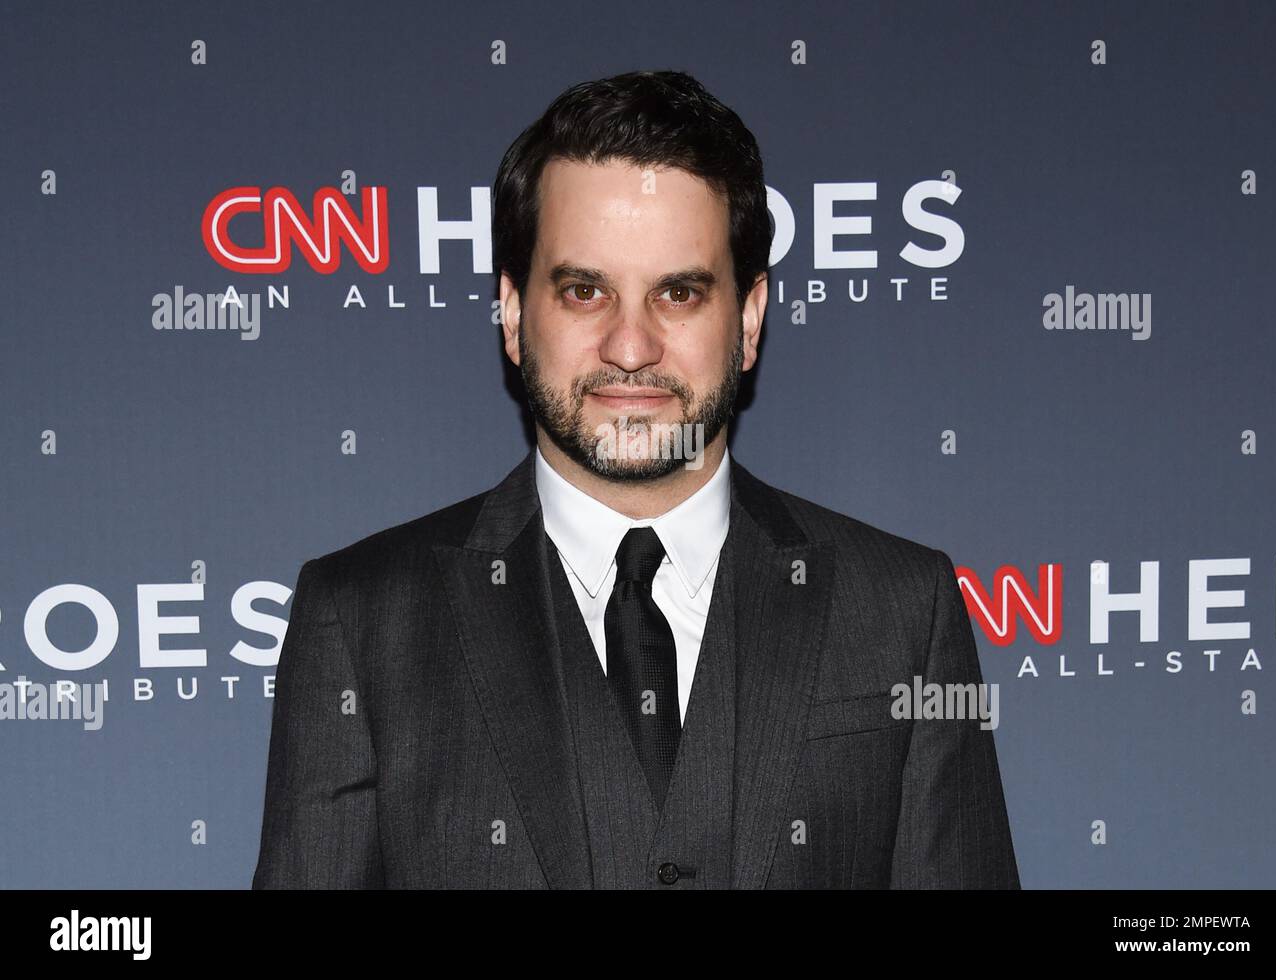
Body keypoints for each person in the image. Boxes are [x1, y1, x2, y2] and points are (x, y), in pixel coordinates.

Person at [251, 69, 1019, 889]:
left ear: (750, 320)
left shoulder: (904, 608)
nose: (630, 346)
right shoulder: (364, 620)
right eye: (584, 291)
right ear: (512, 315)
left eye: (678, 293)